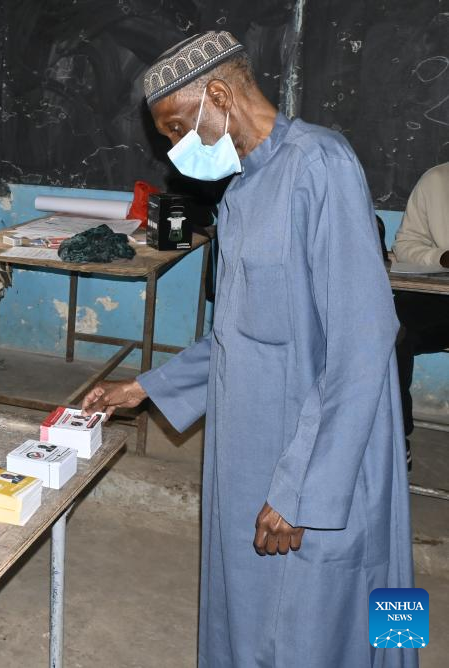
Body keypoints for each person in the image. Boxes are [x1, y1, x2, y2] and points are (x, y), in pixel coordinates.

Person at [83, 31, 414, 667]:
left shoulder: (322, 164)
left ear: (218, 94)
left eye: (179, 128)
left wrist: (302, 492)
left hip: (322, 462)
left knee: (333, 618)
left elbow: (364, 341)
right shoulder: (239, 194)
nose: (177, 154)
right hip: (250, 452)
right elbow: (238, 335)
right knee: (251, 614)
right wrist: (144, 388)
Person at [392, 161, 449, 470]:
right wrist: (441, 257)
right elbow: (405, 245)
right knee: (388, 328)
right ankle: (397, 435)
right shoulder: (437, 179)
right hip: (440, 300)